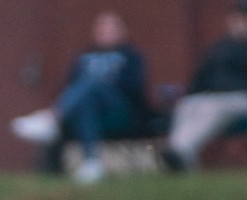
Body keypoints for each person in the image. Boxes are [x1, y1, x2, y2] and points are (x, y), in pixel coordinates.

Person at [11, 13, 155, 185]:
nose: (107, 32)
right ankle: (92, 164)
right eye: (102, 28)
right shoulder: (83, 56)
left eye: (112, 28)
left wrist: (104, 83)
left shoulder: (131, 56)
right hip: (90, 108)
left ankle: (52, 118)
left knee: (93, 81)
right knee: (86, 102)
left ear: (122, 31)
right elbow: (68, 86)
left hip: (119, 108)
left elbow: (135, 88)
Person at [161, 0, 247, 172]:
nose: (241, 22)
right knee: (188, 105)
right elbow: (201, 77)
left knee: (211, 107)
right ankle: (177, 153)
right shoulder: (220, 48)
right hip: (212, 97)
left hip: (246, 100)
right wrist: (190, 94)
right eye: (237, 18)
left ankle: (181, 150)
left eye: (246, 18)